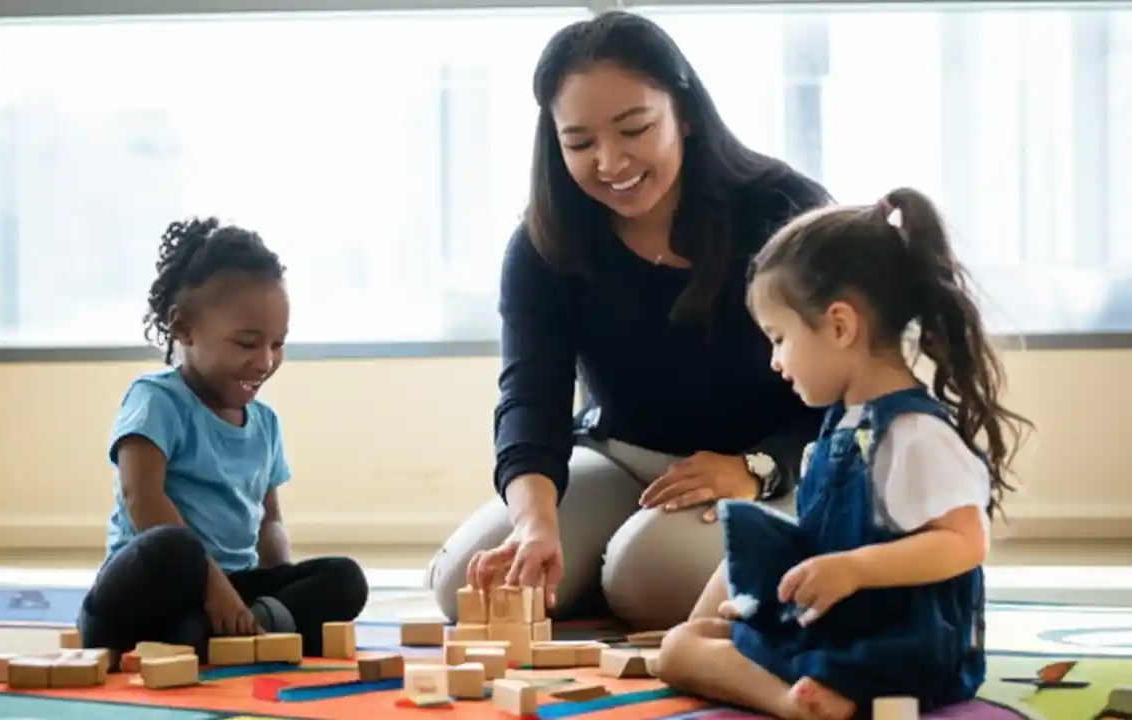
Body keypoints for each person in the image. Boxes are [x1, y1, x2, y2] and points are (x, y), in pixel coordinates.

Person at [425, 10, 831, 631]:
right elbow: (530, 398)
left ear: (685, 115)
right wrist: (535, 523)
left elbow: (846, 386)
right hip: (621, 456)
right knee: (471, 588)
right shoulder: (543, 242)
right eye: (580, 142)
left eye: (634, 129)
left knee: (644, 582)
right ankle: (609, 563)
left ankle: (657, 567)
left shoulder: (782, 210)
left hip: (768, 468)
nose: (610, 162)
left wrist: (755, 469)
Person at [652, 187, 1034, 720]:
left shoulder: (915, 433)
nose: (775, 361)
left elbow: (964, 542)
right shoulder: (841, 426)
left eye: (779, 338)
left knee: (682, 651)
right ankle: (809, 694)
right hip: (843, 628)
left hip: (905, 651)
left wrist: (855, 568)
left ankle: (792, 702)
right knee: (684, 641)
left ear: (839, 326)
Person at [76, 217, 368, 662]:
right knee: (177, 547)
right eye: (247, 343)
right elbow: (141, 499)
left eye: (278, 344)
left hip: (229, 588)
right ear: (184, 329)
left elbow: (269, 520)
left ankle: (247, 629)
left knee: (346, 579)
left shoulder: (265, 423)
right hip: (148, 586)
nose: (265, 361)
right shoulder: (155, 401)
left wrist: (279, 582)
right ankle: (213, 631)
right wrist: (211, 585)